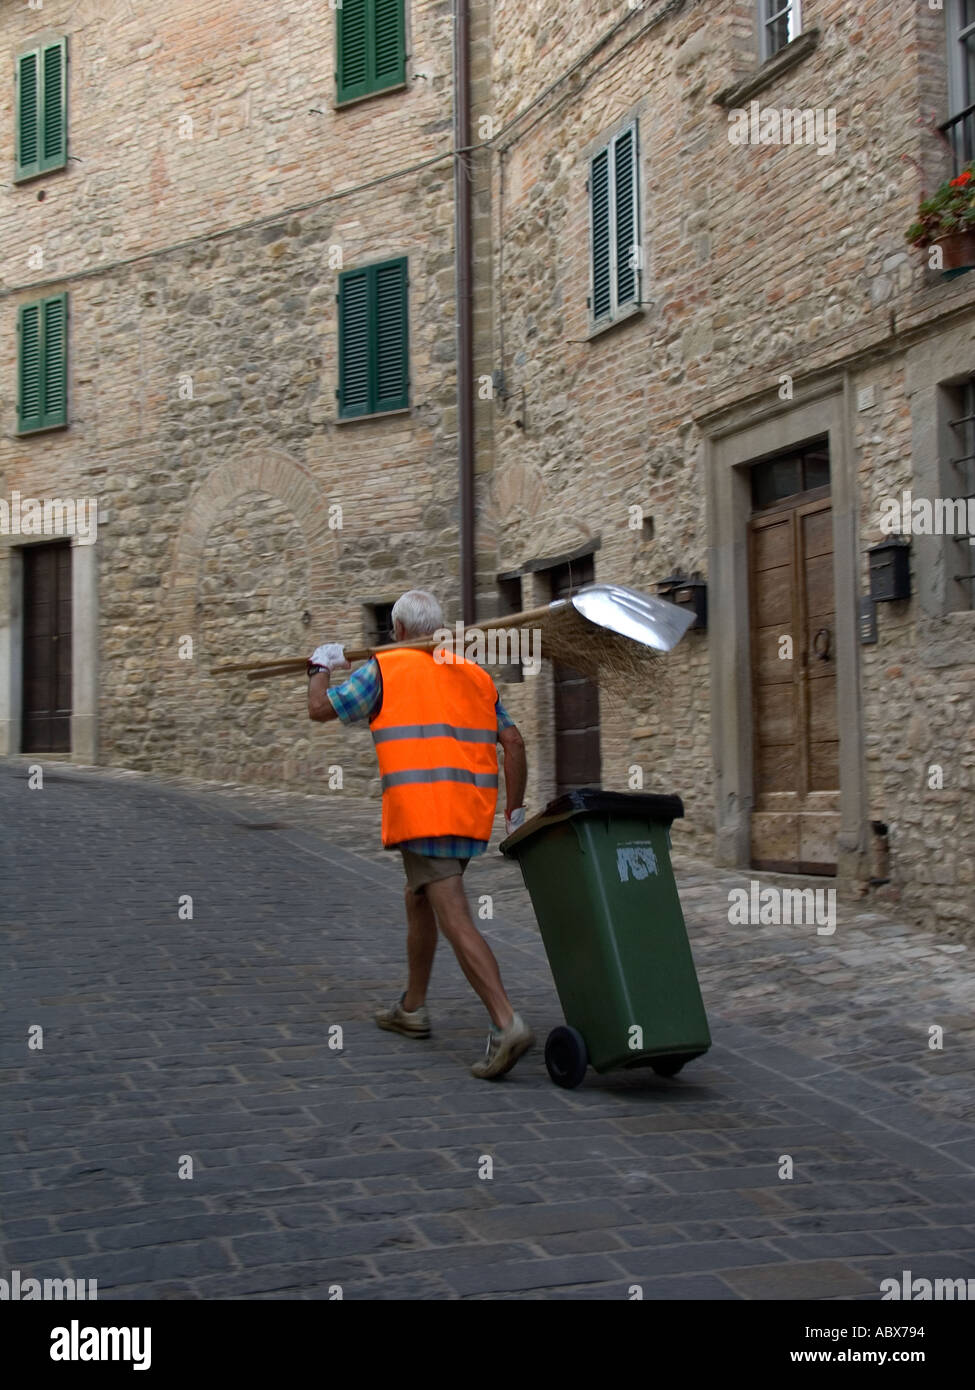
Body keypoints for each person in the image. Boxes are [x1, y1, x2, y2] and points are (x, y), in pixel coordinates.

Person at [307, 589, 535, 1080]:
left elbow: (322, 710)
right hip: (470, 816)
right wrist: (514, 812)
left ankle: (505, 1021)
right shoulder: (475, 674)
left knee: (454, 919)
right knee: (418, 897)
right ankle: (412, 1008)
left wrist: (318, 667)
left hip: (424, 815)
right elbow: (513, 741)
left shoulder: (386, 668)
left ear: (401, 632)